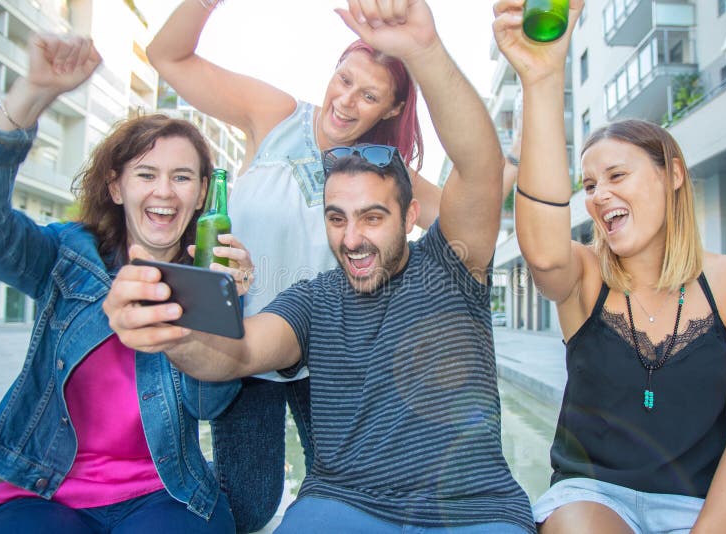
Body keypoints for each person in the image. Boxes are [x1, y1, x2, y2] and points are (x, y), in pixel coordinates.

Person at [104, 2, 537, 532]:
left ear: (391, 108)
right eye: (345, 79)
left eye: (370, 95)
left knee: (347, 480)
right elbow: (168, 57)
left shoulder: (385, 170)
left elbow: (473, 191)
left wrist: (504, 169)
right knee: (252, 502)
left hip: (332, 353)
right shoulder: (276, 115)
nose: (348, 100)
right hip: (256, 328)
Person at [493, 1, 726, 532]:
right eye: (591, 185)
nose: (599, 195)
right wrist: (541, 77)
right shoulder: (583, 275)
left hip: (704, 507)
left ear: (671, 175)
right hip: (593, 499)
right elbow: (544, 252)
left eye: (617, 175)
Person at [0, 33, 255, 533]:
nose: (163, 191)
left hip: (163, 492)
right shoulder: (66, 253)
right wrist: (30, 93)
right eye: (146, 174)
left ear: (202, 193)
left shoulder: (214, 276)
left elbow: (210, 405)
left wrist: (216, 312)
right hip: (43, 490)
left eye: (182, 177)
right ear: (116, 186)